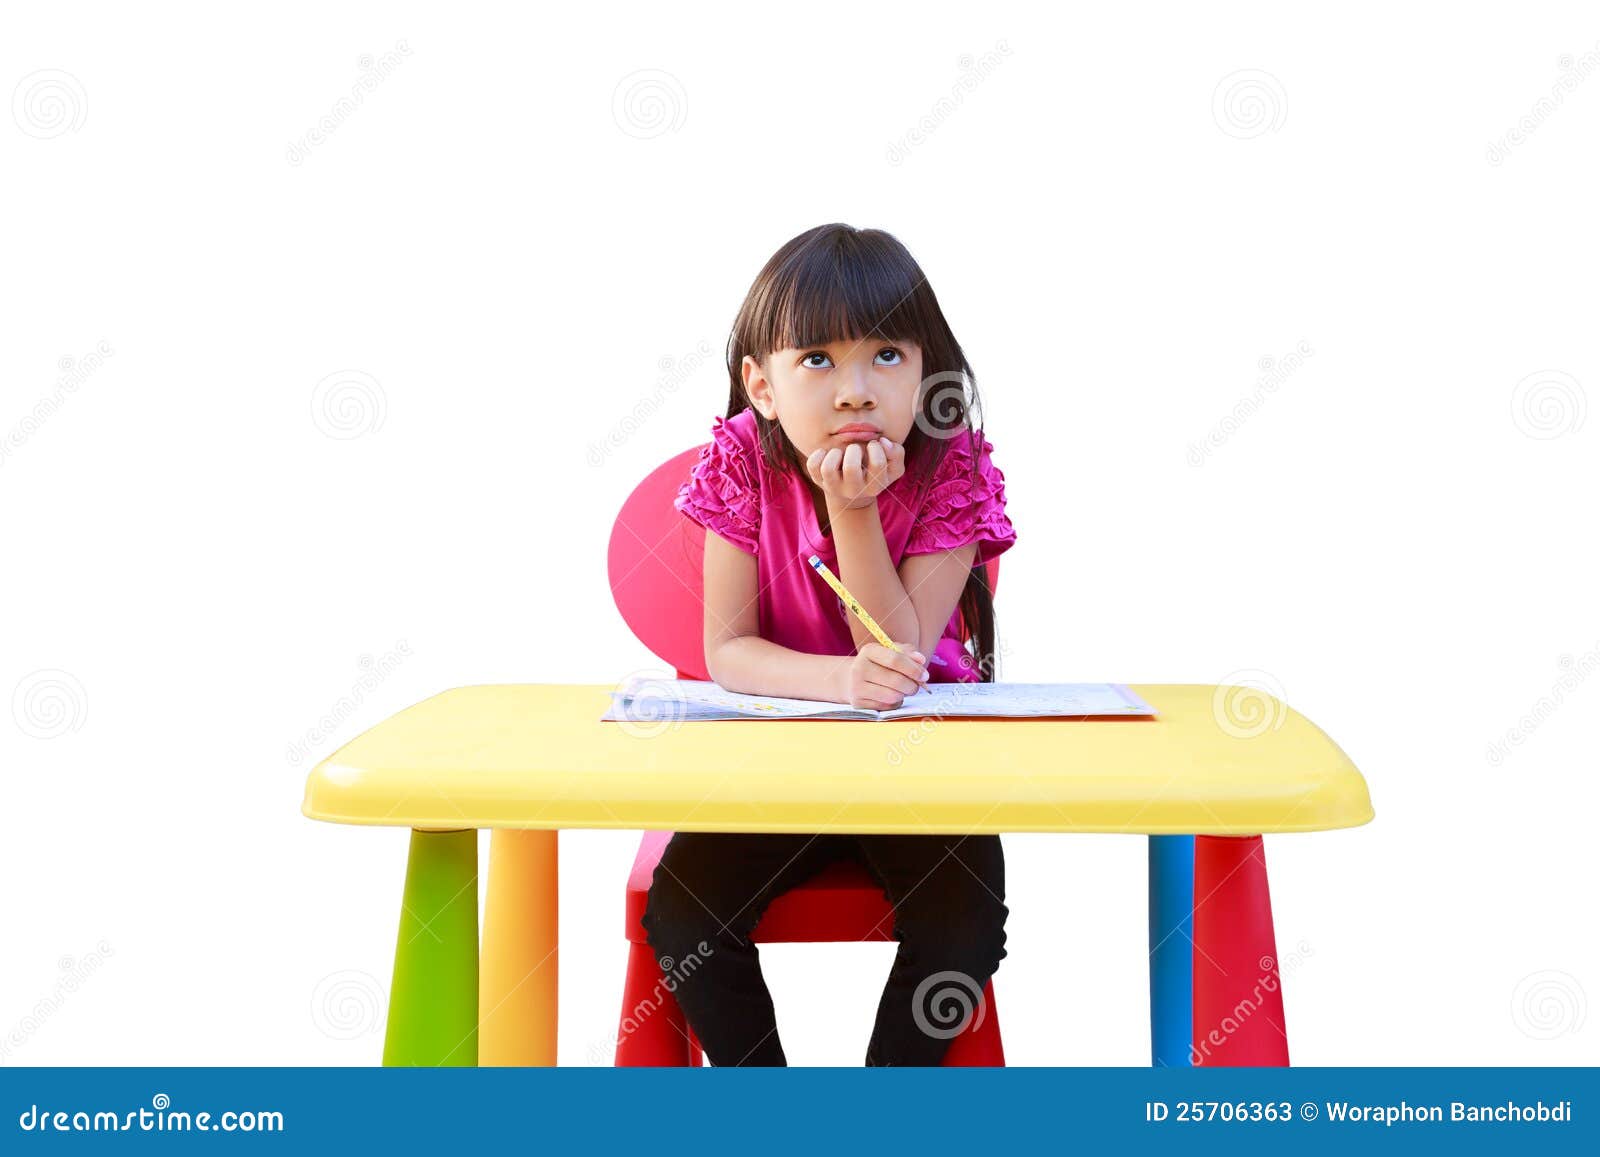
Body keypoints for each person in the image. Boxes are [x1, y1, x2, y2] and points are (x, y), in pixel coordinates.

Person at [640, 222, 1018, 1066]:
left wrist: (852, 512)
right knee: (685, 916)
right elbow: (728, 650)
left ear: (927, 374)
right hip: (773, 767)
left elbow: (904, 646)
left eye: (887, 354)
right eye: (817, 359)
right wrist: (843, 680)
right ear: (761, 385)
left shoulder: (952, 464)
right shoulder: (741, 459)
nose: (854, 389)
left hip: (919, 761)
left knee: (963, 925)